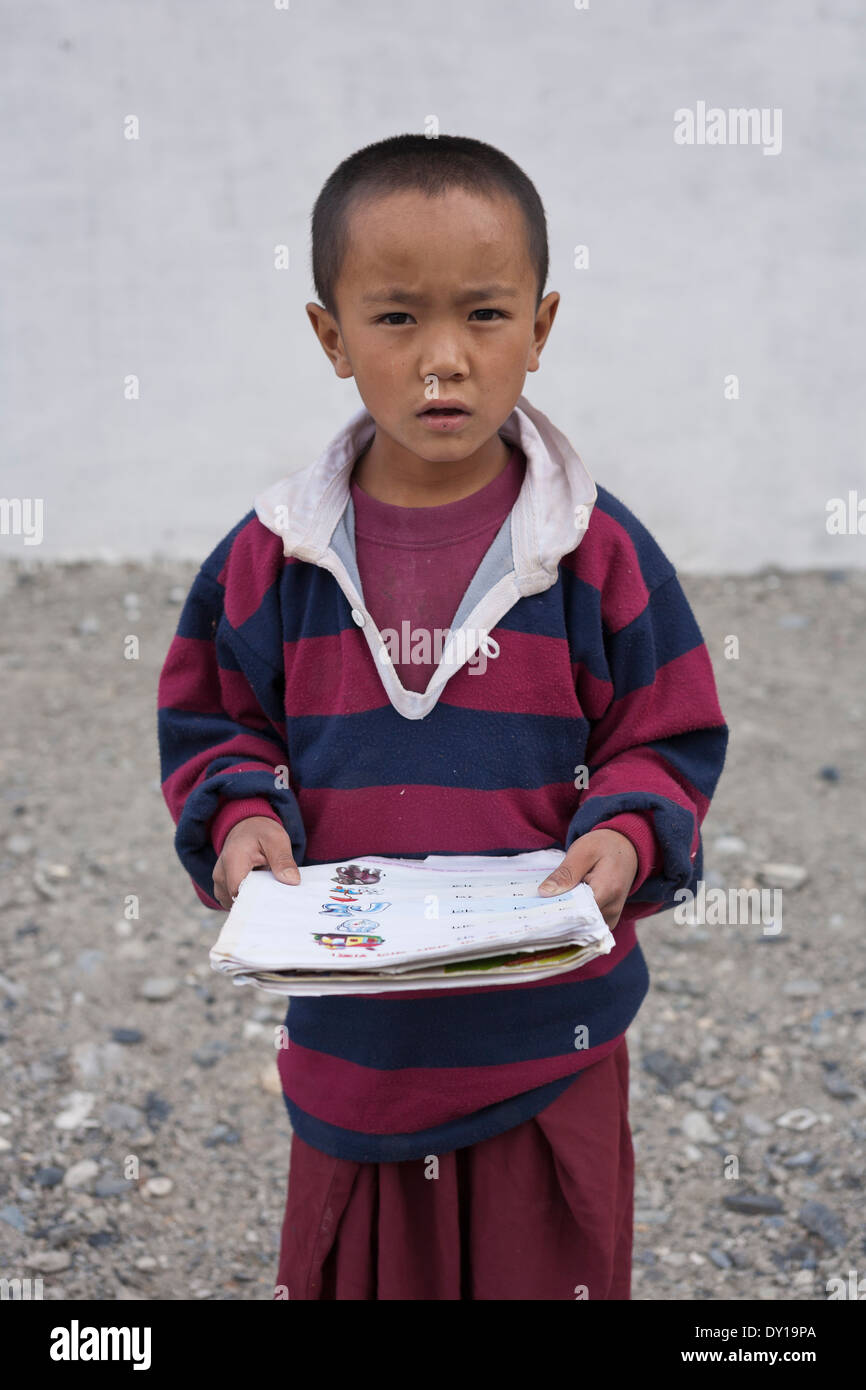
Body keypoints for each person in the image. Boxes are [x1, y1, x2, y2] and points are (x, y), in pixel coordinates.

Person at [157, 133, 728, 1301]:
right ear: (328, 336)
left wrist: (623, 837)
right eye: (395, 319)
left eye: (481, 314)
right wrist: (240, 822)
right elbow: (218, 724)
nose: (442, 361)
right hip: (360, 1031)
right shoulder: (274, 559)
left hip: (546, 1023)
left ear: (541, 325)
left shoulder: (593, 553)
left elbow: (665, 736)